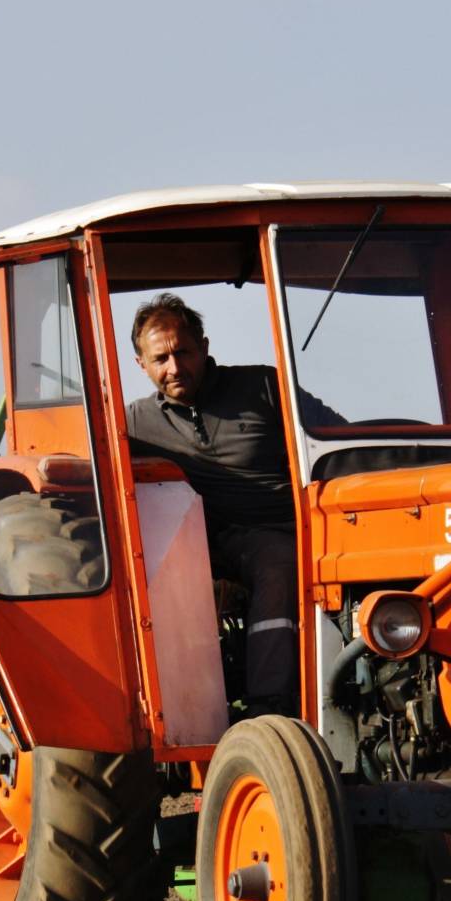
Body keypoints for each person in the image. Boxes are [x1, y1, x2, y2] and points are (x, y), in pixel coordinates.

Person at [124, 294, 342, 715]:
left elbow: (332, 438)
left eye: (182, 352)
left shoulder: (262, 386)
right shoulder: (134, 423)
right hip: (230, 541)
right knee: (278, 561)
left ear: (204, 347)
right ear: (141, 365)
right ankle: (271, 707)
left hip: (313, 524)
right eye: (160, 358)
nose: (173, 368)